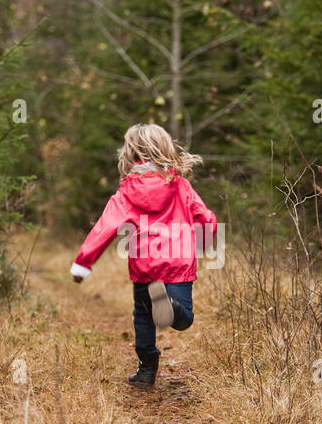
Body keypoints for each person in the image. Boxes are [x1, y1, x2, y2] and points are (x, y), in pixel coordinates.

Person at [70, 123, 218, 386]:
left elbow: (104, 229)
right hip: (179, 261)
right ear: (165, 149)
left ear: (130, 154)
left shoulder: (126, 192)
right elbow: (205, 217)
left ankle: (147, 371)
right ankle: (173, 308)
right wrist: (206, 239)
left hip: (145, 264)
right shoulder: (180, 186)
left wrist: (83, 264)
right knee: (184, 318)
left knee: (143, 315)